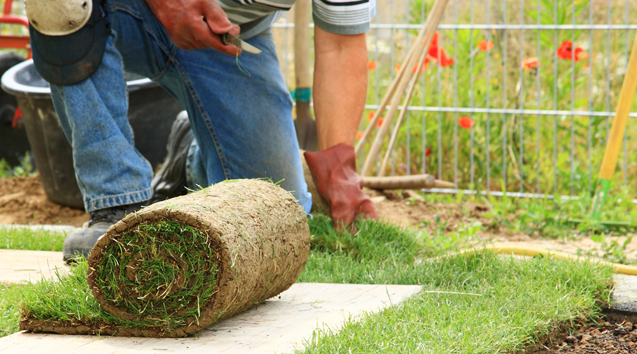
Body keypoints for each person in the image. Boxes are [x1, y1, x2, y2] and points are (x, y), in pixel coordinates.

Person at [24, 0, 379, 261]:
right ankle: (116, 207)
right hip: (124, 9)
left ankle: (191, 156)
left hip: (227, 36)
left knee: (273, 215)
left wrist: (339, 168)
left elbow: (340, 44)